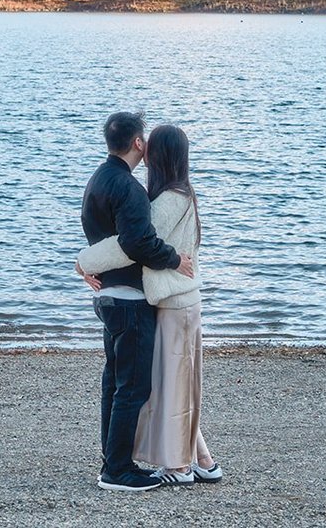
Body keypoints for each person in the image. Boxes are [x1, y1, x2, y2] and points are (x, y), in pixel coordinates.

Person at [78, 123, 221, 485]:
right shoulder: (179, 193)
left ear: (159, 154)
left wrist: (85, 260)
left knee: (168, 386)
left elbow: (134, 242)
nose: (147, 154)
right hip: (179, 301)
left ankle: (180, 466)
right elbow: (137, 241)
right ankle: (200, 460)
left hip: (173, 303)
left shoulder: (167, 197)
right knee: (174, 385)